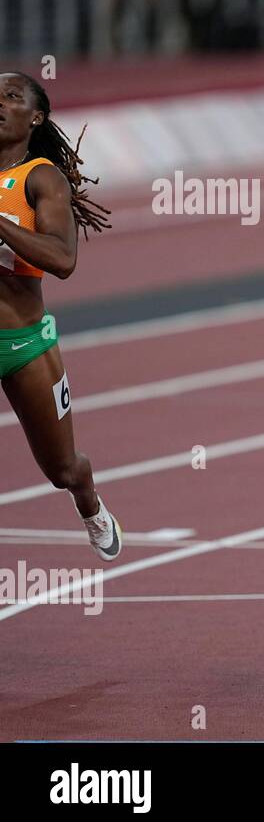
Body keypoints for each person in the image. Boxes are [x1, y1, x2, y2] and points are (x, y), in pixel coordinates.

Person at [0, 71, 122, 561]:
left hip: (24, 345)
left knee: (62, 469)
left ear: (35, 117)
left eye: (10, 97)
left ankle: (88, 501)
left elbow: (63, 260)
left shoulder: (40, 178)